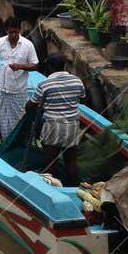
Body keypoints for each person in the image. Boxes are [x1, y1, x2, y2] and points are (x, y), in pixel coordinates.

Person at [0, 17, 38, 139]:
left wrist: (20, 66)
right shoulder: (0, 42)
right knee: (4, 120)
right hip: (2, 90)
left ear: (20, 30)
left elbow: (35, 65)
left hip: (18, 91)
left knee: (19, 119)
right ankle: (6, 140)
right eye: (10, 32)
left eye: (16, 32)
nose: (13, 35)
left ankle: (19, 141)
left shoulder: (27, 45)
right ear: (6, 31)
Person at [30, 52, 85, 187]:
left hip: (53, 126)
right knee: (71, 161)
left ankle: (52, 189)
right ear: (64, 65)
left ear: (49, 67)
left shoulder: (45, 84)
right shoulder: (77, 81)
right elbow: (82, 97)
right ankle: (74, 187)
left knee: (50, 162)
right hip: (72, 125)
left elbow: (32, 104)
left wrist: (28, 107)